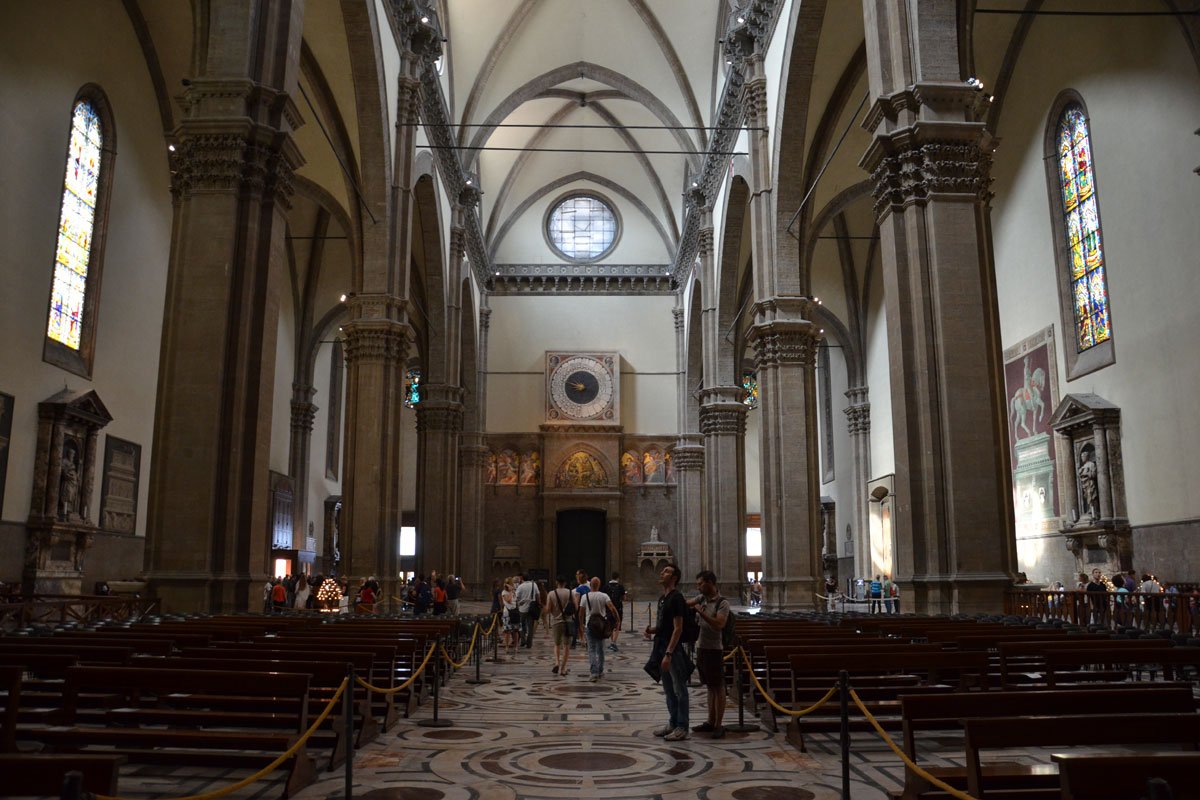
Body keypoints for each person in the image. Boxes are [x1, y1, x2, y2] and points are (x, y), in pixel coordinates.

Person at [644, 564, 691, 742]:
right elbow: (666, 626)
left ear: (674, 578)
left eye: (666, 571)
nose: (662, 573)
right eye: (663, 571)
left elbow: (678, 628)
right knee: (669, 689)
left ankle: (682, 727)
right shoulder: (663, 598)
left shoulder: (677, 598)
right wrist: (652, 630)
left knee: (679, 689)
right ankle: (673, 722)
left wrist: (669, 653)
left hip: (673, 650)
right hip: (661, 646)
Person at [689, 570, 730, 738]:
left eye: (700, 584)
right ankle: (710, 721)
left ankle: (719, 725)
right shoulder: (702, 599)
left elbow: (719, 624)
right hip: (702, 647)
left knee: (718, 687)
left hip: (715, 649)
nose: (698, 587)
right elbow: (687, 603)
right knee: (709, 686)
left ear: (710, 583)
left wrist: (701, 613)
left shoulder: (722, 603)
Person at [579, 577, 618, 682]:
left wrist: (581, 625)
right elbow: (612, 608)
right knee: (600, 650)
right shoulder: (604, 596)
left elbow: (581, 613)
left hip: (589, 625)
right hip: (601, 626)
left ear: (590, 585)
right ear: (599, 585)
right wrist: (617, 620)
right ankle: (600, 671)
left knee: (591, 649)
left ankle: (594, 672)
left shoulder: (584, 596)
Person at [546, 576, 575, 676]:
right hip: (568, 622)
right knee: (566, 646)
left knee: (557, 644)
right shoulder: (571, 593)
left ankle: (557, 662)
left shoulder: (551, 593)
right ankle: (563, 668)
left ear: (556, 582)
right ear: (565, 583)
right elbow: (575, 606)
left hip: (556, 622)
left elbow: (548, 609)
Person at [515, 573, 540, 648]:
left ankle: (523, 640)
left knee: (521, 625)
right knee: (530, 627)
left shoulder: (520, 586)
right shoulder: (534, 584)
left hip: (522, 609)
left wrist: (518, 604)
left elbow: (516, 597)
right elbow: (538, 595)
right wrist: (538, 604)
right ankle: (529, 643)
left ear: (522, 578)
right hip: (531, 608)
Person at [605, 572, 627, 652]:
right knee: (617, 625)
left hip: (608, 608)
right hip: (618, 609)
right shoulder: (620, 586)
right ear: (618, 578)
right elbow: (624, 598)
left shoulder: (606, 586)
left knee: (610, 625)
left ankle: (612, 642)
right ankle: (613, 643)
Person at [571, 570, 591, 649]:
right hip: (588, 608)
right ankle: (586, 641)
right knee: (585, 625)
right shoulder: (588, 588)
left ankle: (575, 643)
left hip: (580, 609)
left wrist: (575, 611)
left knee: (577, 626)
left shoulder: (578, 589)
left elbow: (576, 601)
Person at [501, 579, 519, 653]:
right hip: (507, 613)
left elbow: (516, 601)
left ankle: (516, 646)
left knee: (515, 630)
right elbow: (508, 600)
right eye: (510, 583)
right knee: (507, 631)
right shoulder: (504, 592)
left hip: (514, 612)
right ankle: (507, 646)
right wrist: (511, 591)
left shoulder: (514, 592)